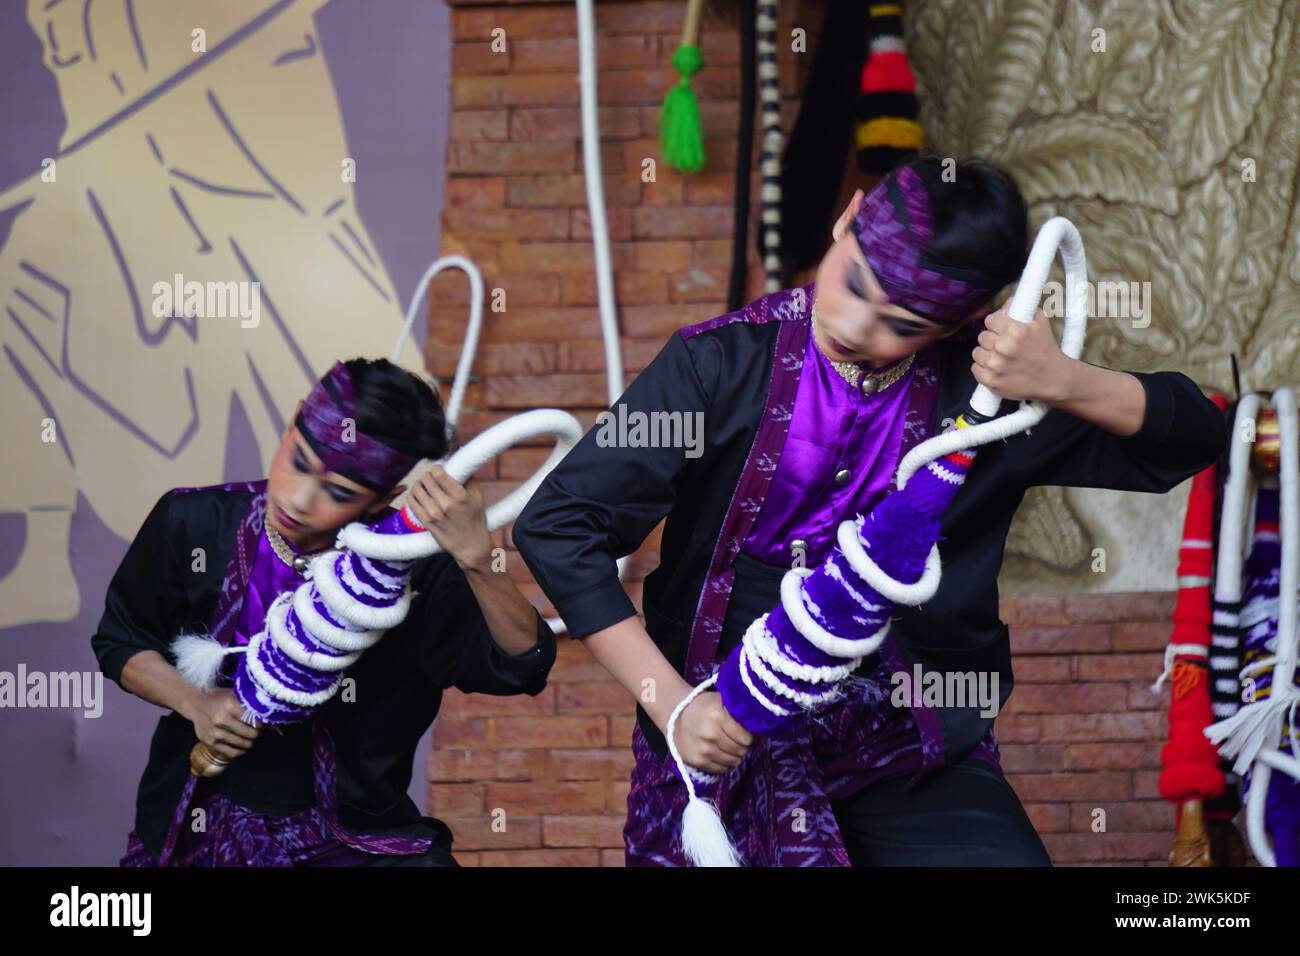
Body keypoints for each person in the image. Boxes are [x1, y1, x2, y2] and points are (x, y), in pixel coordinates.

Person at [513, 155, 1229, 866]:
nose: (857, 326)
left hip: (913, 745)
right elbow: (558, 526)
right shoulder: (716, 366)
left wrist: (1062, 378)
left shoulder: (992, 405)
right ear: (848, 218)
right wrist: (670, 704)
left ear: (959, 322)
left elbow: (1200, 432)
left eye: (903, 323)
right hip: (722, 726)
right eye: (855, 281)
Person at [92, 357, 556, 866]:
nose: (299, 499)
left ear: (387, 497)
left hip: (353, 837)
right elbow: (122, 640)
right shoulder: (193, 523)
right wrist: (195, 702)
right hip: (195, 819)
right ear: (292, 422)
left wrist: (475, 559)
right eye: (298, 461)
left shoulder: (414, 572)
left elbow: (522, 665)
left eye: (339, 493)